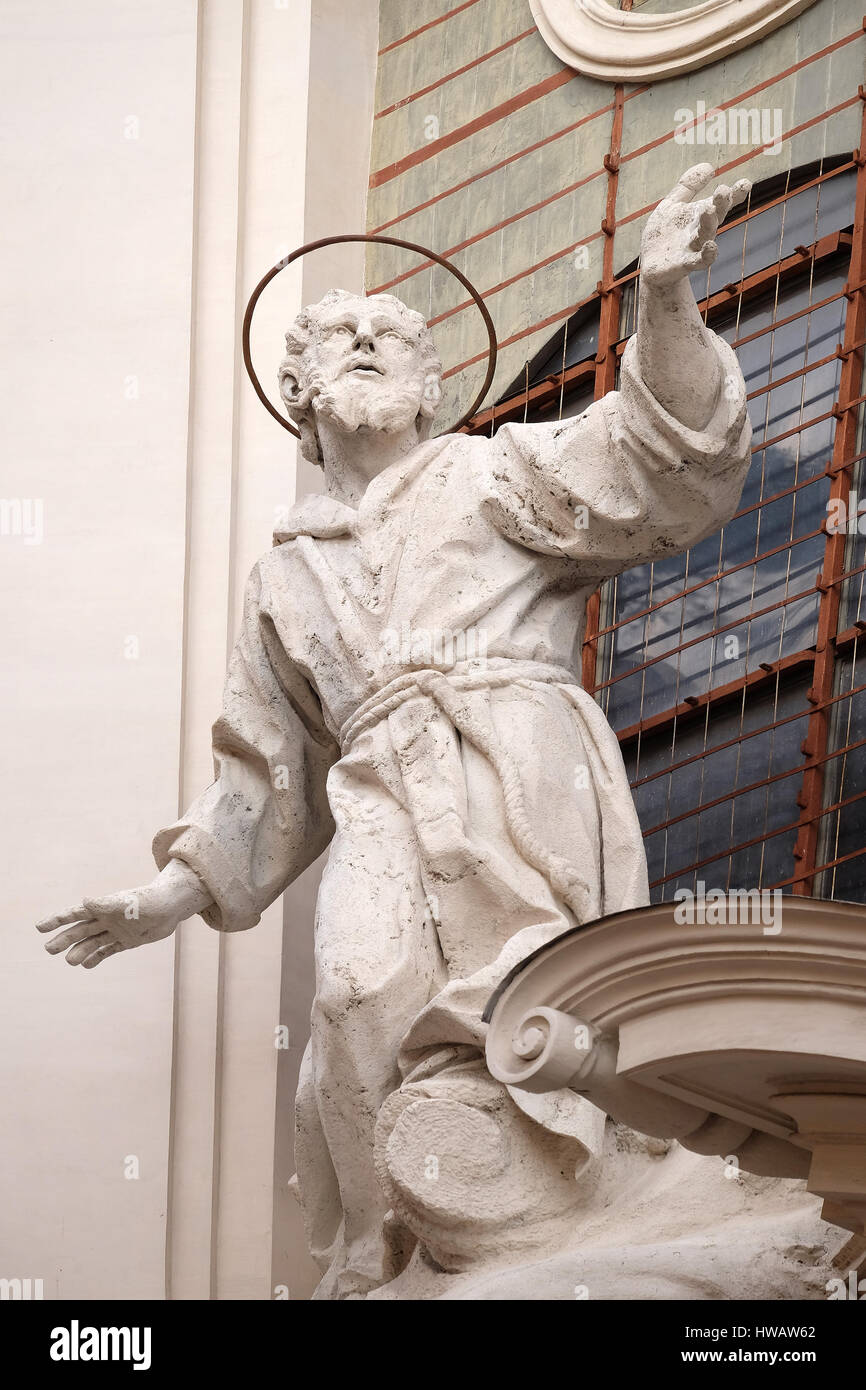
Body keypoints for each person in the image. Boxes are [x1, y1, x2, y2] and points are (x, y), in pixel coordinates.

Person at [38, 165, 754, 1298]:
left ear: (430, 388)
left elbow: (655, 464)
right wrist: (166, 897)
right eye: (338, 341)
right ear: (302, 398)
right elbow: (265, 769)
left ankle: (540, 1191)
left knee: (531, 993)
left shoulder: (488, 471)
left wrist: (663, 299)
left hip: (519, 769)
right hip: (379, 787)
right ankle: (380, 1231)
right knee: (353, 987)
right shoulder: (283, 573)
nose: (365, 344)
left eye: (391, 337)